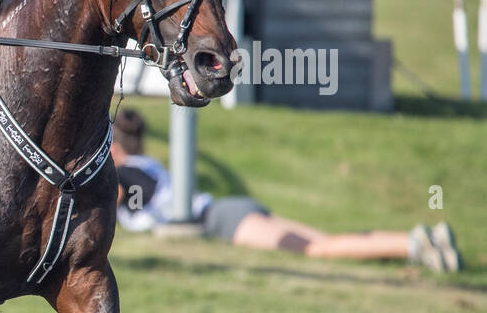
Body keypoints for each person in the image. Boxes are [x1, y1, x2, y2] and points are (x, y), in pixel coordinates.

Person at [111, 107, 463, 272]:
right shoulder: (147, 164)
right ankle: (425, 243)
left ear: (113, 149)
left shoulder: (124, 174)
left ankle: (414, 243)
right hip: (229, 209)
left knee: (317, 249)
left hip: (218, 220)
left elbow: (110, 196)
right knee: (327, 242)